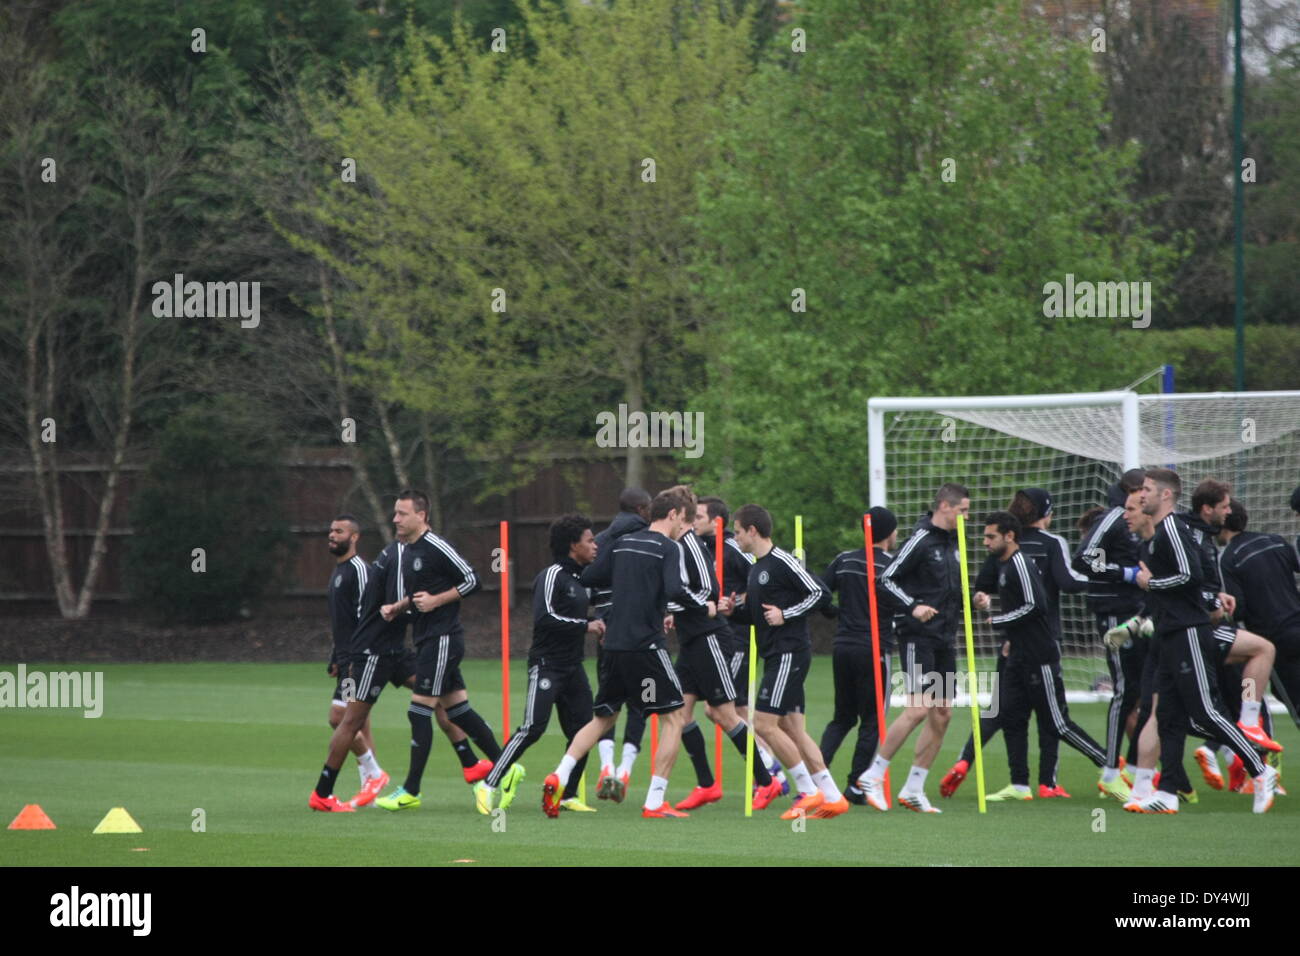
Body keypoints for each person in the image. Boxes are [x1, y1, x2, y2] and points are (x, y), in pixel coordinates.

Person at [542, 486, 701, 818]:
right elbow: (675, 590)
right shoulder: (669, 548)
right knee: (675, 717)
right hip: (646, 646)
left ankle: (560, 774)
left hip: (612, 645)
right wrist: (702, 603)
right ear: (672, 515)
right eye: (681, 520)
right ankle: (655, 802)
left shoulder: (620, 545)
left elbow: (589, 575)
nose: (680, 527)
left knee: (603, 717)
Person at [1125, 468, 1277, 814]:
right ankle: (1165, 793)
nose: (1141, 495)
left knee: (1207, 712)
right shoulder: (1161, 533)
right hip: (1169, 633)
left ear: (1165, 495)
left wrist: (1152, 584)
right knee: (1167, 716)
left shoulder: (1174, 529)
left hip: (1189, 631)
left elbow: (1188, 575)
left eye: (1147, 489)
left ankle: (1260, 769)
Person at [373, 490, 503, 813]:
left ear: (422, 515)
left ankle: (411, 789)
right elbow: (421, 594)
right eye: (395, 513)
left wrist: (436, 602)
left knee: (418, 711)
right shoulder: (410, 549)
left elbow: (473, 580)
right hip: (429, 639)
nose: (395, 519)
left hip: (443, 638)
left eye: (402, 514)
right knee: (459, 712)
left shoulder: (437, 546)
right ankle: (505, 765)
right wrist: (399, 606)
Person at [722, 504, 846, 818]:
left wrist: (785, 614)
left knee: (764, 723)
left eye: (736, 532)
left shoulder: (782, 561)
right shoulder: (755, 567)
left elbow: (820, 593)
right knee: (792, 728)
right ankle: (832, 796)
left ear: (752, 530)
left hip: (788, 653)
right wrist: (732, 610)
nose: (734, 538)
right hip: (775, 654)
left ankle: (808, 791)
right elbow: (756, 615)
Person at [856, 483, 971, 814]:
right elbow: (886, 579)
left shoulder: (955, 543)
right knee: (918, 709)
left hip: (945, 638)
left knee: (943, 713)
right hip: (917, 636)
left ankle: (914, 788)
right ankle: (873, 774)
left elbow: (949, 588)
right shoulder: (920, 539)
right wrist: (913, 607)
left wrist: (974, 599)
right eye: (963, 510)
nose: (967, 516)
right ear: (945, 507)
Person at [977, 512, 1108, 802]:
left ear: (1009, 536)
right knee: (1009, 715)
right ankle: (1020, 785)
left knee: (1057, 724)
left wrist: (1000, 621)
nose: (985, 542)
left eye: (990, 536)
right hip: (1017, 655)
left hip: (1039, 655)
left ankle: (1108, 764)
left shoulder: (1021, 564)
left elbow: (1036, 606)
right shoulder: (1002, 565)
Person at [477, 514, 604, 812]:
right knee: (533, 727)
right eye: (589, 540)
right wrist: (586, 625)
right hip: (547, 665)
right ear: (574, 545)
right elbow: (545, 618)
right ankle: (487, 784)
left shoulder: (580, 580)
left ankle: (568, 793)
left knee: (584, 729)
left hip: (573, 667)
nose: (595, 545)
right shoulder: (551, 576)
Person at [818, 506, 904, 804]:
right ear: (889, 533)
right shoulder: (893, 567)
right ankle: (856, 785)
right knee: (872, 720)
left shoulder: (844, 560)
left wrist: (837, 614)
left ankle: (818, 777)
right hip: (874, 649)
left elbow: (818, 592)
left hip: (842, 647)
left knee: (841, 718)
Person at [1071, 469, 1149, 798]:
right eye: (1143, 490)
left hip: (1141, 612)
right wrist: (1127, 574)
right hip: (1115, 612)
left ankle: (1133, 770)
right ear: (1132, 490)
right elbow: (1084, 560)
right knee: (1123, 690)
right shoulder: (1114, 517)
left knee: (1145, 692)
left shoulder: (1147, 521)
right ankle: (1110, 772)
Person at [591, 488, 652, 801]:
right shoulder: (648, 539)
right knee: (642, 701)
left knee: (607, 699)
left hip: (607, 630)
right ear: (642, 509)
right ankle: (625, 769)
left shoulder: (599, 541)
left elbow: (586, 580)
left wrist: (598, 615)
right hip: (640, 632)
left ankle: (606, 766)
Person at [325, 515, 388, 807]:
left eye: (339, 531)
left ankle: (374, 775)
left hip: (359, 660)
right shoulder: (338, 571)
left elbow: (368, 617)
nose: (332, 535)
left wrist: (356, 657)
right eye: (331, 531)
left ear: (354, 537)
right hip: (347, 659)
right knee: (360, 723)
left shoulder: (360, 571)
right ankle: (371, 788)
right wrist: (335, 656)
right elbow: (342, 621)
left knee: (339, 719)